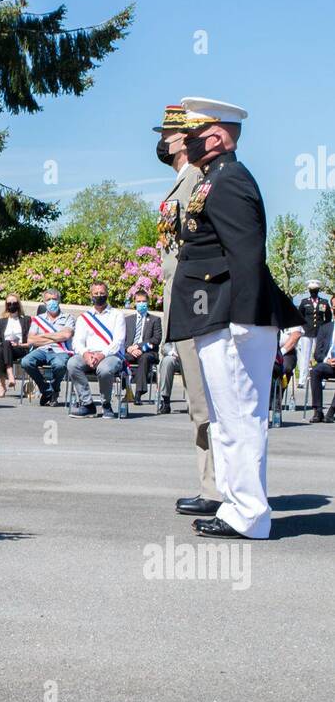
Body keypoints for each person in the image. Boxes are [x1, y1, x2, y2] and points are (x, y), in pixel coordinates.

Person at [167, 97, 297, 540]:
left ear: (218, 136)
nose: (185, 141)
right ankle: (237, 504)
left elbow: (245, 252)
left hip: (232, 316)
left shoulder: (230, 180)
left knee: (240, 418)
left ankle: (249, 514)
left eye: (193, 134)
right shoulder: (215, 179)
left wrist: (243, 316)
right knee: (227, 419)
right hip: (216, 315)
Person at [153, 103, 221, 511]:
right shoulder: (183, 180)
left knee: (204, 403)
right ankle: (211, 485)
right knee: (199, 403)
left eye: (166, 135)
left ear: (182, 138)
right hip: (183, 307)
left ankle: (215, 490)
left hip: (195, 308)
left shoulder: (196, 178)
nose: (161, 142)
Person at [66, 282, 126, 418]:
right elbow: (77, 342)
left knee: (104, 369)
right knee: (72, 363)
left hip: (111, 355)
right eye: (96, 294)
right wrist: (85, 354)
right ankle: (87, 404)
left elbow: (118, 341)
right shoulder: (84, 318)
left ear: (107, 294)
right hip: (89, 354)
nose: (99, 296)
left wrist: (102, 355)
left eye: (102, 294)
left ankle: (106, 404)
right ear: (91, 296)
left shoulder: (117, 315)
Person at [20, 289, 76, 405]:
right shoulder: (38, 319)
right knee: (26, 362)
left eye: (54, 299)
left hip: (60, 350)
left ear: (59, 300)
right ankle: (46, 389)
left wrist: (43, 336)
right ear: (44, 302)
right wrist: (56, 336)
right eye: (48, 299)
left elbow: (66, 335)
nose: (52, 302)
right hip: (41, 350)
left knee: (60, 365)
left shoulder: (68, 318)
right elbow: (31, 340)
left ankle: (55, 387)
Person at [123, 294, 162, 404]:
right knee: (120, 359)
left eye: (143, 301)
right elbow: (122, 339)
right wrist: (129, 349)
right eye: (138, 301)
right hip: (131, 352)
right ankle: (127, 390)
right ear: (134, 302)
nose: (141, 304)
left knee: (144, 358)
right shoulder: (128, 320)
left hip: (148, 352)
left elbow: (156, 339)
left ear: (148, 302)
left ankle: (139, 393)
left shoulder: (155, 320)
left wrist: (140, 347)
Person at [0, 294, 32, 396]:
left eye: (14, 303)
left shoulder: (26, 320)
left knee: (3, 349)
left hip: (21, 348)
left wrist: (19, 344)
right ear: (6, 305)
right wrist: (6, 344)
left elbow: (31, 337)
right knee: (3, 347)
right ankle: (9, 374)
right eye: (9, 303)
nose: (12, 305)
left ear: (18, 304)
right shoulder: (2, 321)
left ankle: (2, 385)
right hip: (6, 349)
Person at [296, 280, 332, 386]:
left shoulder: (324, 302)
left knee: (321, 356)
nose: (313, 292)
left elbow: (328, 317)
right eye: (312, 290)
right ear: (309, 291)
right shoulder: (304, 302)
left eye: (315, 290)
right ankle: (302, 381)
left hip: (320, 333)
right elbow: (300, 316)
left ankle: (322, 381)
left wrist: (324, 329)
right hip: (307, 333)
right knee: (305, 357)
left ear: (318, 290)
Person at [308, 340, 335, 423]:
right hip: (329, 364)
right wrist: (327, 360)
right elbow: (317, 354)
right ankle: (318, 411)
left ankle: (331, 412)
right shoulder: (326, 328)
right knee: (315, 371)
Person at [157, 340, 182, 413]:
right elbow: (165, 346)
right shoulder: (173, 328)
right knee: (167, 360)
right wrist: (172, 353)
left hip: (193, 357)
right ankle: (166, 401)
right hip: (176, 358)